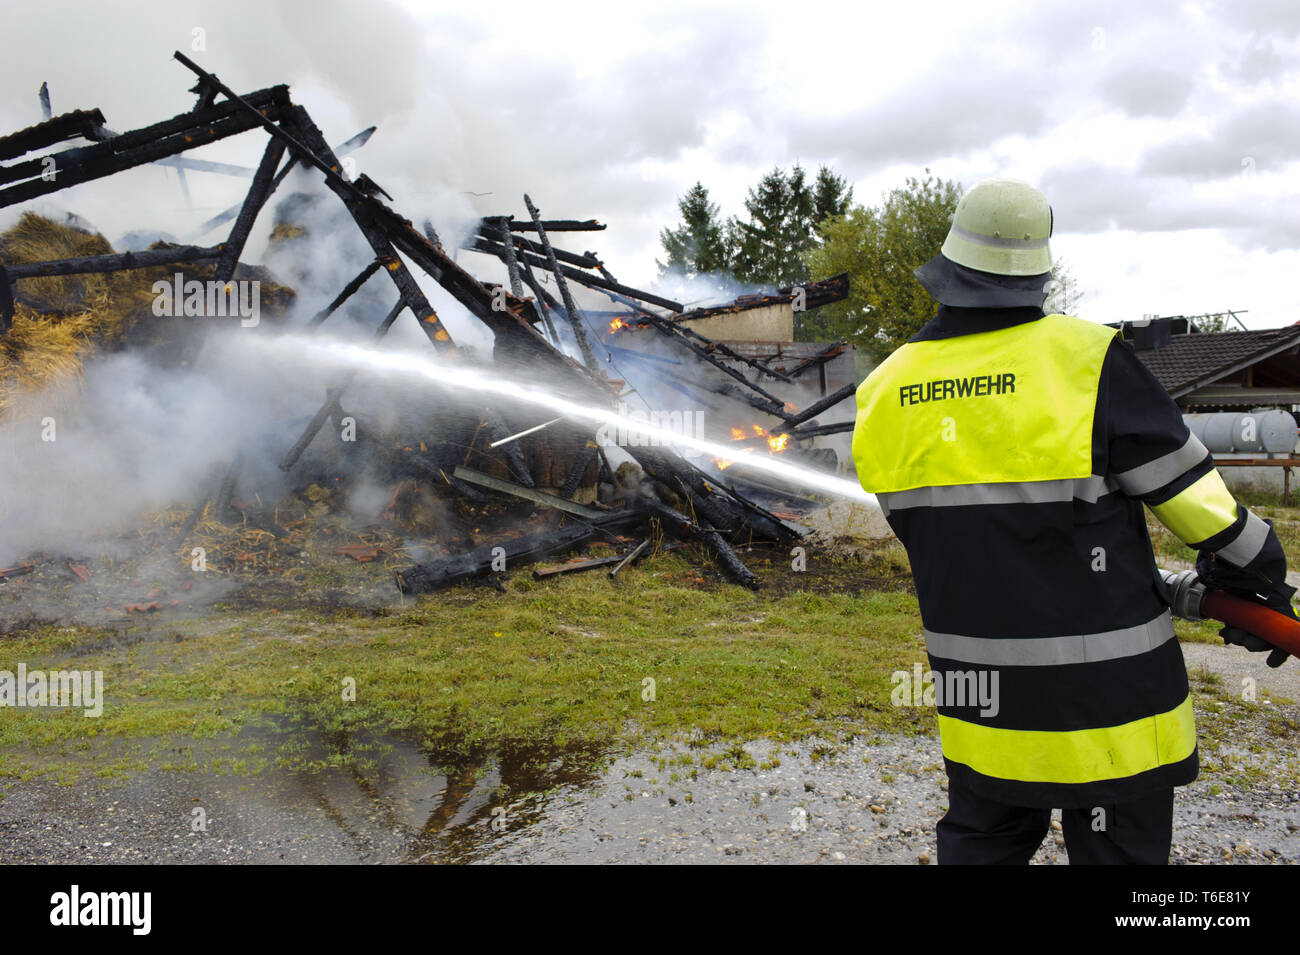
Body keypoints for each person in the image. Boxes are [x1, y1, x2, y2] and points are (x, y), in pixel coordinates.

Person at [850, 177, 1294, 865]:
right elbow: (1195, 500)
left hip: (984, 709)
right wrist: (1259, 563)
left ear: (947, 263)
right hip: (1112, 710)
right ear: (1039, 270)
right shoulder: (1088, 362)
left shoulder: (884, 390)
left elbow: (954, 536)